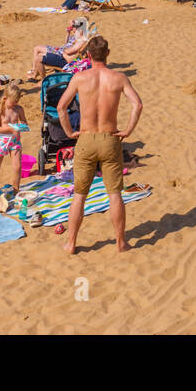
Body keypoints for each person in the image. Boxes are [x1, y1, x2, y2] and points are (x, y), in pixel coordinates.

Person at [55, 37, 142, 254]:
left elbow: (61, 107)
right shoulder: (119, 78)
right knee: (114, 193)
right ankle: (121, 242)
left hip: (86, 138)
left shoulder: (80, 77)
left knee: (79, 195)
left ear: (88, 56)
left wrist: (69, 132)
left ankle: (71, 243)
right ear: (108, 54)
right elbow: (137, 104)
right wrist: (129, 130)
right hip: (110, 138)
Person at [28, 17, 92, 80]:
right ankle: (35, 73)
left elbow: (68, 53)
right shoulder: (78, 37)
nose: (73, 28)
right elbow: (67, 44)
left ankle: (43, 80)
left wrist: (64, 53)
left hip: (61, 56)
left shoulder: (80, 41)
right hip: (61, 53)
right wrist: (68, 33)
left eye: (74, 27)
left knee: (38, 57)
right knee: (38, 52)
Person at [0, 86, 28, 187]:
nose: (15, 104)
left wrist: (22, 125)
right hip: (2, 141)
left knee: (17, 167)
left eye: (17, 101)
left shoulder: (18, 109)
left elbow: (24, 121)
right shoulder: (0, 112)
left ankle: (16, 190)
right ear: (5, 98)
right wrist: (10, 129)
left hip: (15, 141)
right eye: (13, 101)